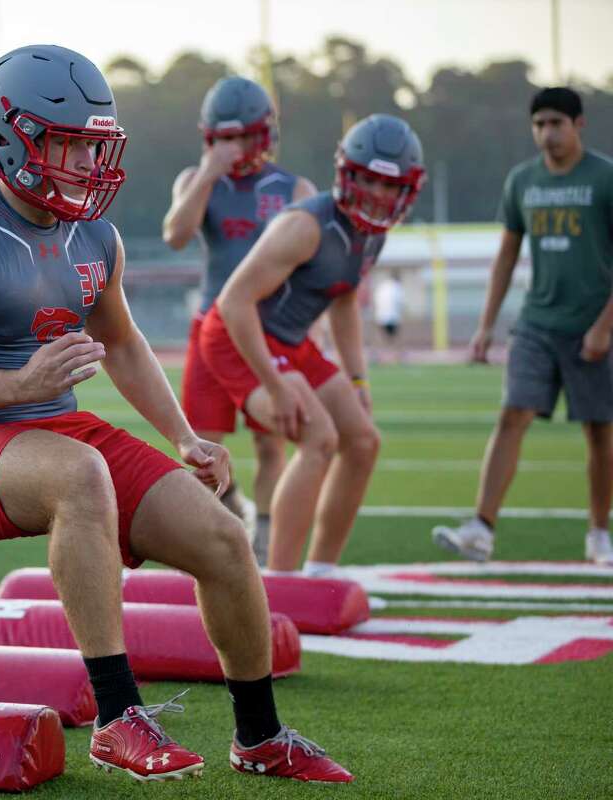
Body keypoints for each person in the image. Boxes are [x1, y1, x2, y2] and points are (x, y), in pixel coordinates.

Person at [0, 45, 351, 784]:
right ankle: (115, 716)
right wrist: (17, 385)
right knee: (83, 473)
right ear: (9, 140)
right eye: (66, 143)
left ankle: (259, 737)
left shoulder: (96, 232)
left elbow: (123, 344)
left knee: (224, 537)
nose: (84, 163)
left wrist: (185, 437)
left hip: (58, 433)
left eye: (93, 145)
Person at [200, 114, 425, 576]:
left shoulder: (373, 235)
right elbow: (233, 301)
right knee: (319, 438)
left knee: (363, 441)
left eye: (390, 186)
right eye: (368, 181)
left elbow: (341, 300)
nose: (379, 196)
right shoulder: (305, 226)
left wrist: (357, 376)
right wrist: (275, 383)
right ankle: (279, 579)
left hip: (290, 339)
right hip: (237, 334)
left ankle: (321, 571)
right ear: (347, 173)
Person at [432, 87, 613, 565]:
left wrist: (604, 326)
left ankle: (599, 532)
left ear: (579, 125)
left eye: (556, 123)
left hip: (594, 322)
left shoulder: (605, 177)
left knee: (599, 431)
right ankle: (481, 528)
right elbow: (508, 254)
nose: (547, 133)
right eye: (539, 124)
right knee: (513, 415)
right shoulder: (522, 181)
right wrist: (486, 324)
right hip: (537, 321)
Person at [162, 76, 316, 565]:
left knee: (271, 445)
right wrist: (208, 174)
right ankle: (231, 514)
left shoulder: (293, 187)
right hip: (211, 325)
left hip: (266, 328)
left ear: (263, 134)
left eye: (242, 136)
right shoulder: (195, 179)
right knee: (203, 448)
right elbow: (176, 236)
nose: (234, 147)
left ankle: (266, 541)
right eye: (224, 137)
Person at [371, 269, 405, 363]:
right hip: (393, 316)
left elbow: (375, 300)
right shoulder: (397, 287)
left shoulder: (382, 287)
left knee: (380, 336)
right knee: (396, 337)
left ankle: (376, 355)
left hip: (381, 315)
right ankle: (398, 355)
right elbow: (400, 303)